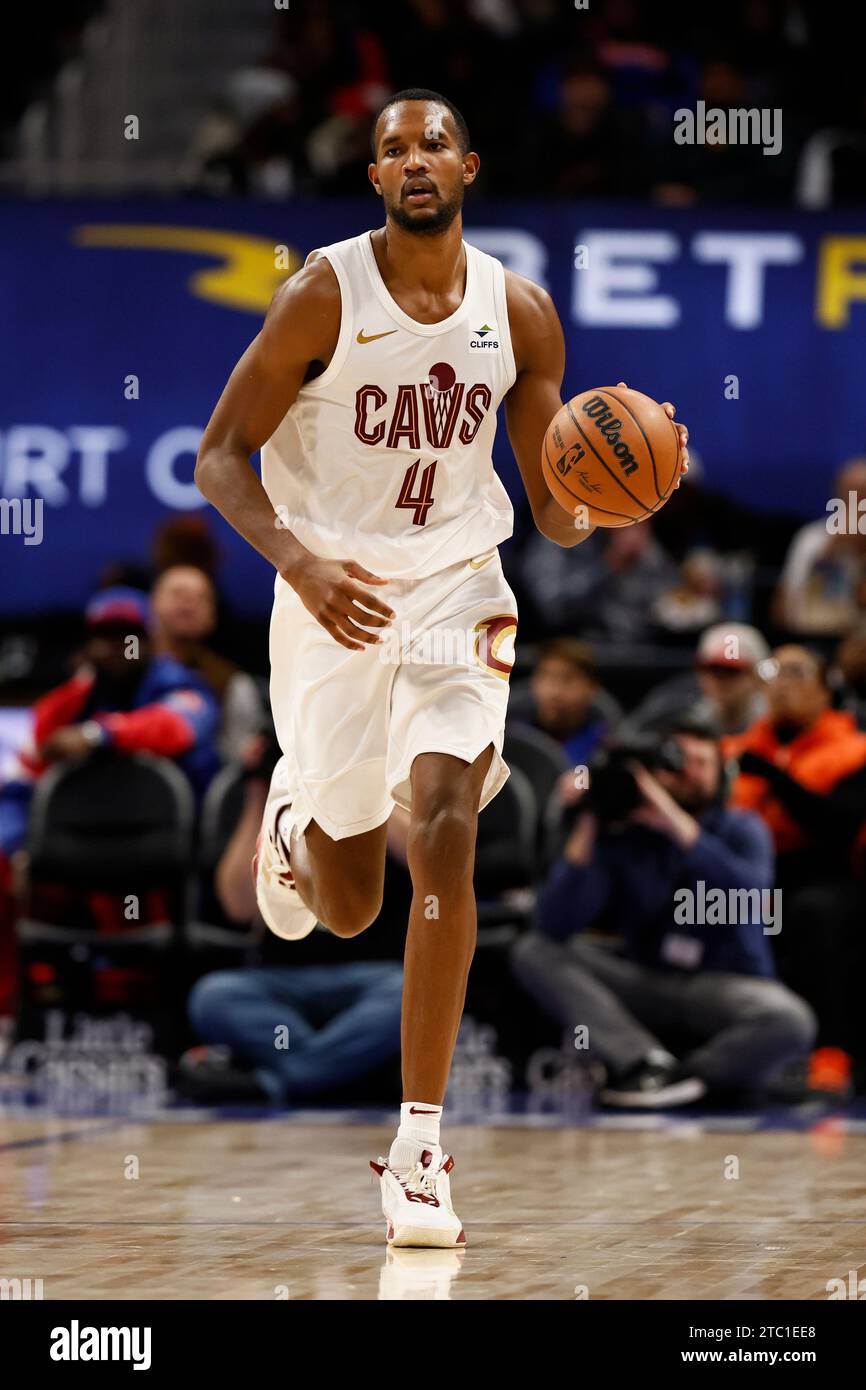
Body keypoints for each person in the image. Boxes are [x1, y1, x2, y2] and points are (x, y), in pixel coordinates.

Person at [194, 87, 689, 1247]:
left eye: (432, 142)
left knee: (451, 816)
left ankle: (417, 1147)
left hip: (459, 583)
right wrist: (302, 567)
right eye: (390, 147)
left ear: (467, 165)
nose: (413, 158)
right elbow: (220, 459)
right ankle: (296, 817)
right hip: (333, 592)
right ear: (373, 179)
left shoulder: (519, 314)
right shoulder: (322, 291)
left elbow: (555, 514)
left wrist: (629, 481)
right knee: (347, 899)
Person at [512, 725, 815, 1107]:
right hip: (647, 977)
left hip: (725, 983)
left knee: (790, 1019)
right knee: (534, 950)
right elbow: (555, 922)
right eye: (676, 761)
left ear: (721, 774)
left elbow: (747, 896)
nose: (685, 771)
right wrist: (590, 820)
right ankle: (643, 1061)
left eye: (699, 762)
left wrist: (671, 820)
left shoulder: (742, 828)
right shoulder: (627, 835)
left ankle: (686, 1077)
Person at [150, 564, 264, 761]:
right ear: (151, 604)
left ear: (213, 616)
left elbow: (239, 757)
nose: (187, 602)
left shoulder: (230, 681)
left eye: (200, 598)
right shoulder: (130, 657)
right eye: (177, 594)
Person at [625, 622, 770, 739]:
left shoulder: (775, 723)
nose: (721, 681)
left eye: (732, 672)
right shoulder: (679, 714)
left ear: (755, 677)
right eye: (714, 670)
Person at [774, 458, 866, 636]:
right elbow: (784, 606)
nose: (858, 505)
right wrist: (830, 552)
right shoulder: (812, 539)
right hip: (818, 636)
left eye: (863, 496)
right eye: (851, 495)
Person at [507, 637, 618, 765]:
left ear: (592, 687)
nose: (555, 692)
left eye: (568, 679)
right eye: (546, 677)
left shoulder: (605, 745)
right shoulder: (508, 738)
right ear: (534, 682)